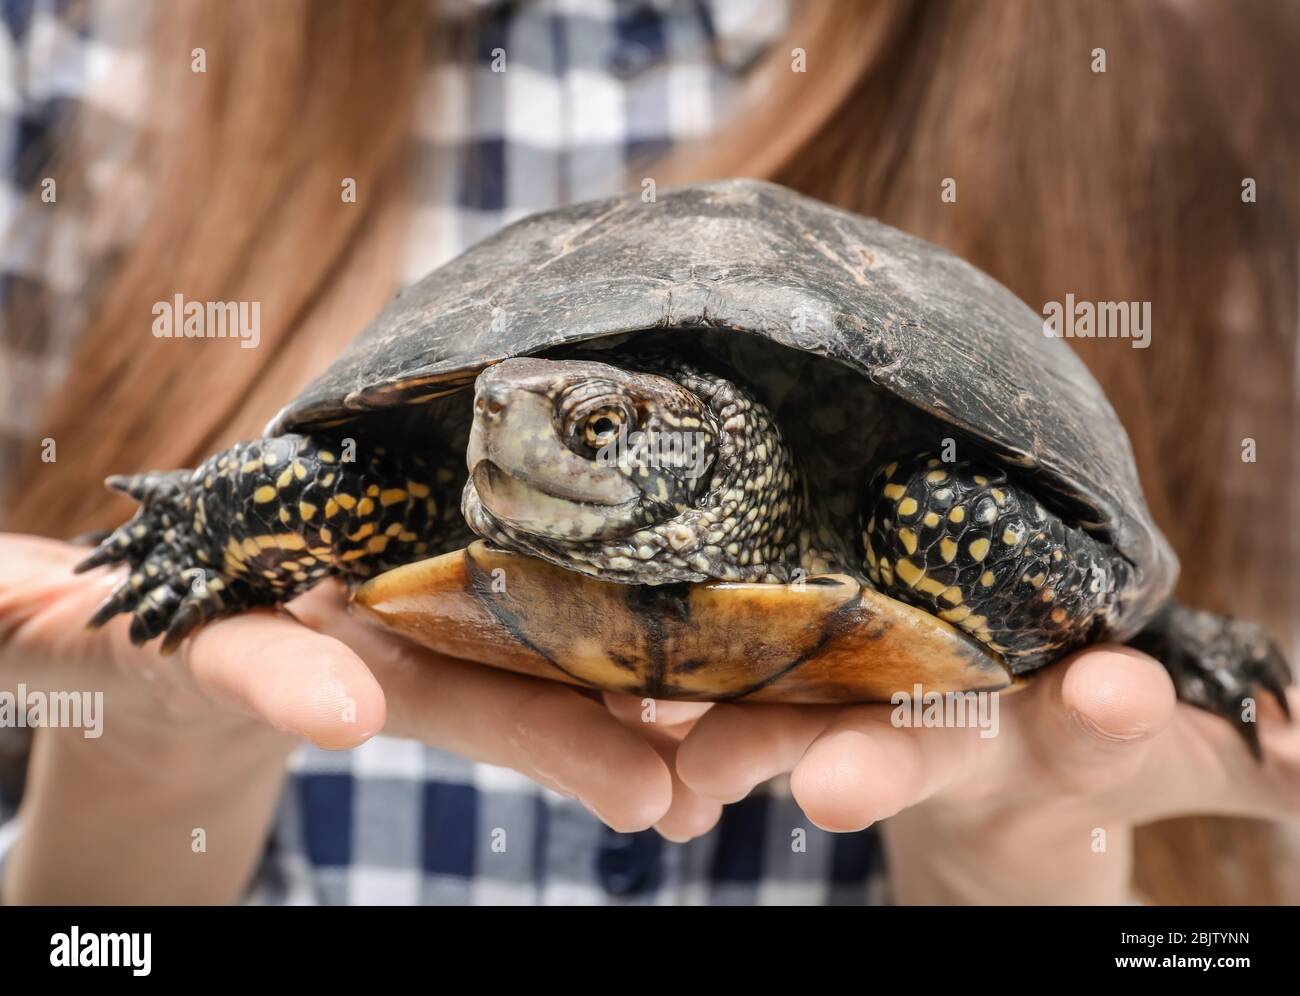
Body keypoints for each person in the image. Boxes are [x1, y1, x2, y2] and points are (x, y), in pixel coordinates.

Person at [1, 0, 1296, 906]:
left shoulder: (1182, 81)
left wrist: (1023, 843)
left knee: (962, 526)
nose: (507, 432)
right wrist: (139, 758)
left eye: (593, 426)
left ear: (698, 447)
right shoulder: (75, 50)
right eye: (504, 411)